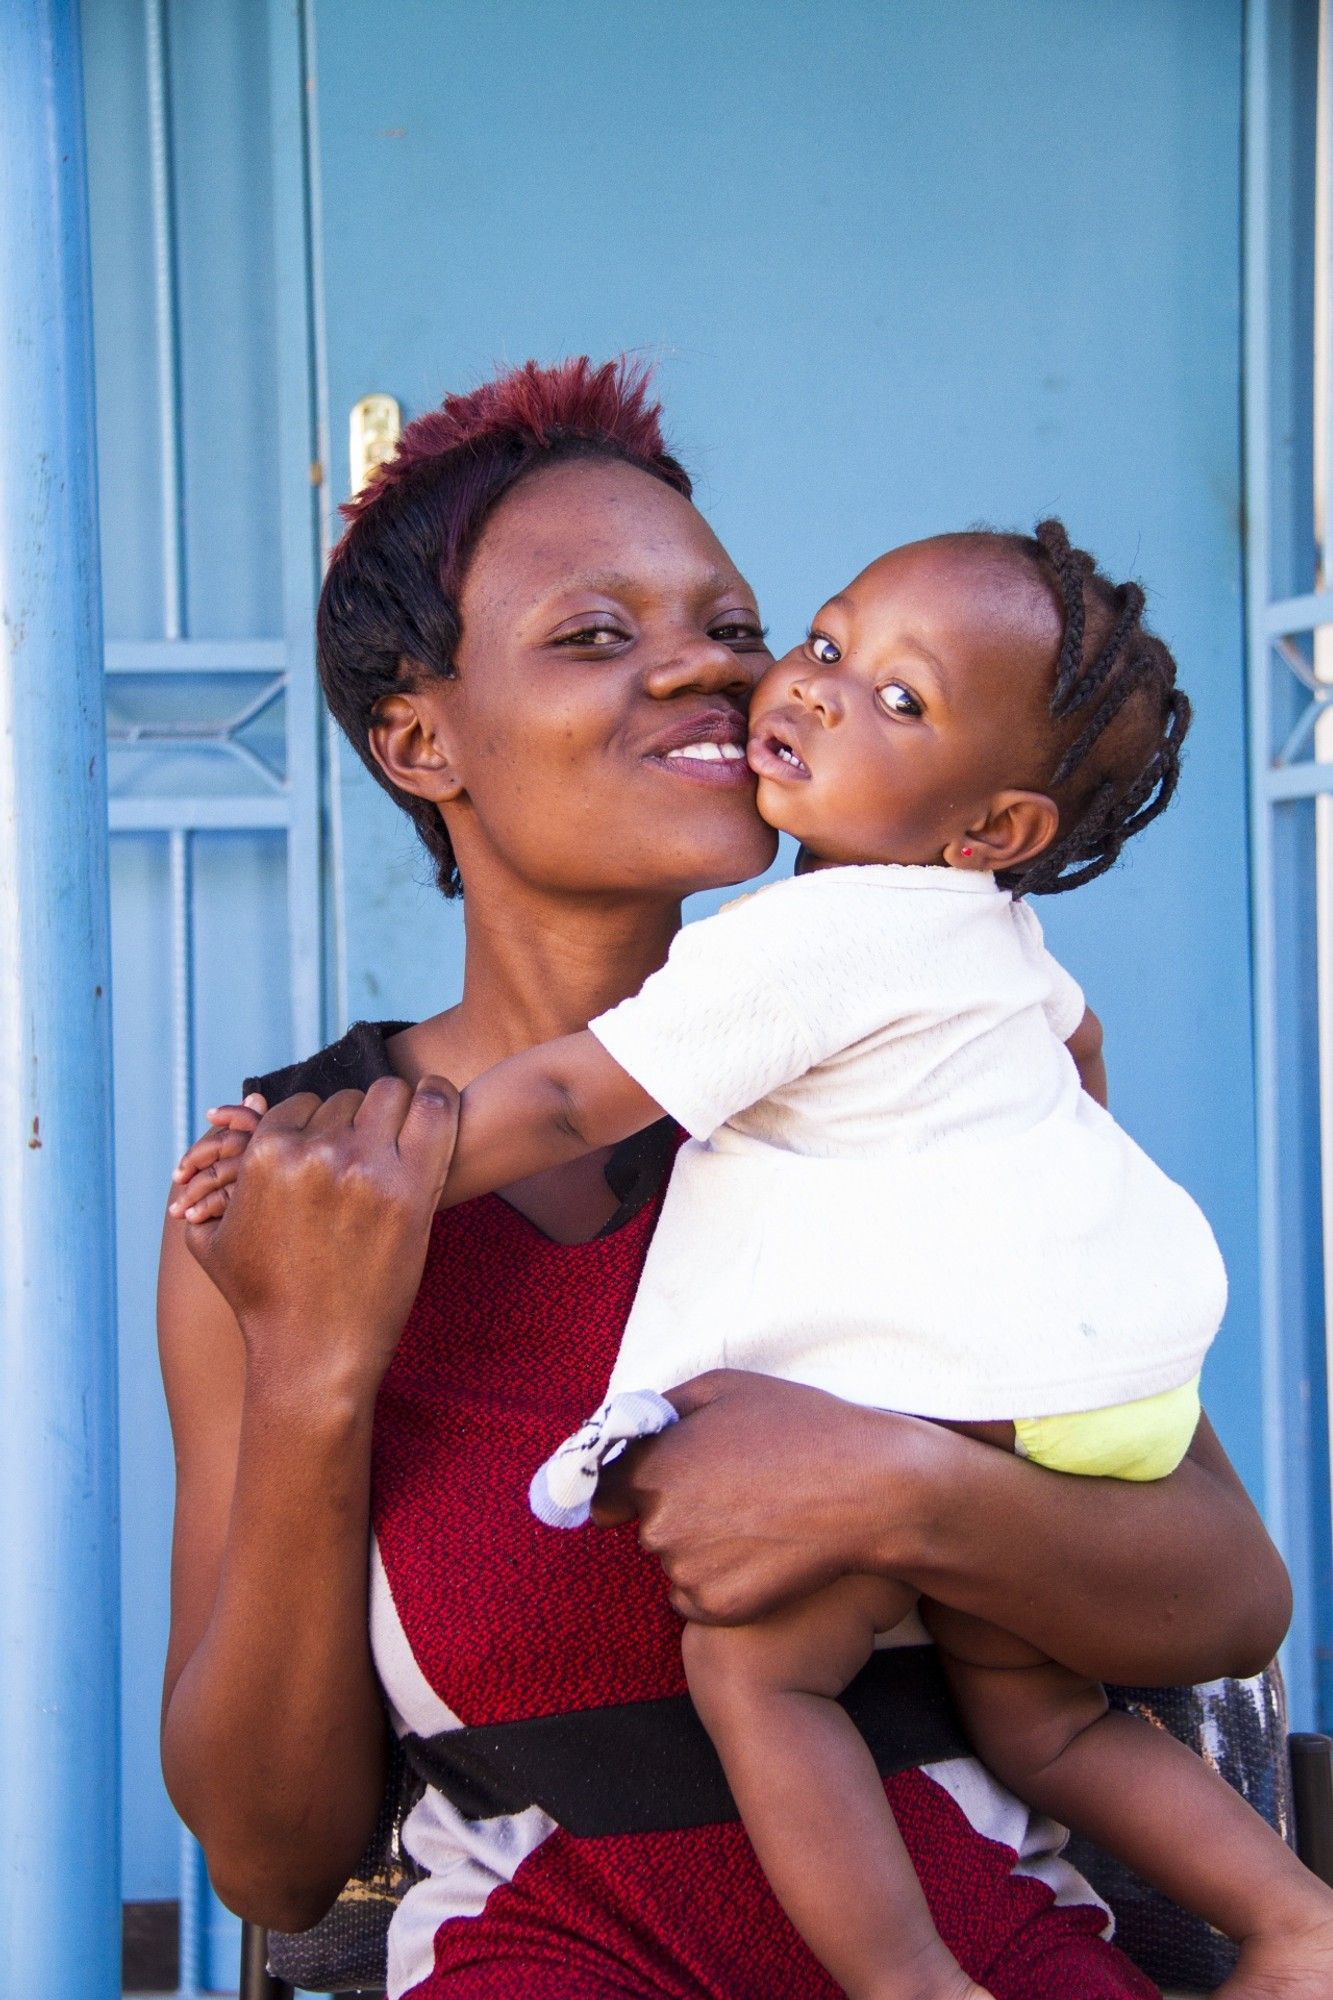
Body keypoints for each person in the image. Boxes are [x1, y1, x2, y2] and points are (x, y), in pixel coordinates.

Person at [160, 358, 1291, 2000]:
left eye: (734, 625)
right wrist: (314, 1373)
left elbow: (1225, 1598)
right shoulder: (302, 1192)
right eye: (592, 635)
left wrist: (893, 1487)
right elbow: (272, 1861)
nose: (710, 664)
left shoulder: (919, 1082)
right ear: (418, 738)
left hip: (990, 1944)